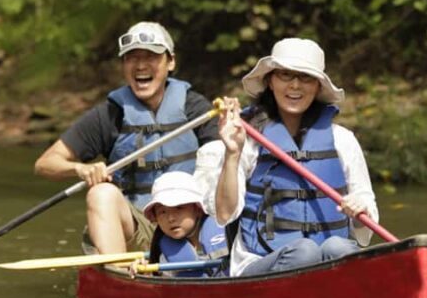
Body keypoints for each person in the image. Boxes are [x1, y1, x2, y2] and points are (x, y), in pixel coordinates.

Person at [34, 21, 218, 254]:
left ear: (170, 62)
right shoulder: (110, 115)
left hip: (192, 225)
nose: (140, 65)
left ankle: (214, 255)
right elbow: (45, 164)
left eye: (151, 56)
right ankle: (120, 272)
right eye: (131, 57)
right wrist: (81, 169)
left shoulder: (195, 108)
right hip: (139, 228)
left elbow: (225, 161)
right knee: (100, 193)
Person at [206, 37, 378, 277]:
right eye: (285, 75)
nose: (295, 85)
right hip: (259, 262)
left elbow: (366, 226)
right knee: (304, 252)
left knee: (339, 248)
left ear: (318, 86)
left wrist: (361, 210)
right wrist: (232, 153)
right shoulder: (246, 140)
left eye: (305, 77)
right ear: (270, 81)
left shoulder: (343, 140)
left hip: (329, 260)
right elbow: (224, 214)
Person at [139, 171, 229, 277]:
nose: (171, 218)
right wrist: (145, 273)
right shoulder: (162, 259)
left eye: (179, 208)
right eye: (162, 212)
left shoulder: (231, 237)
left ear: (198, 209)